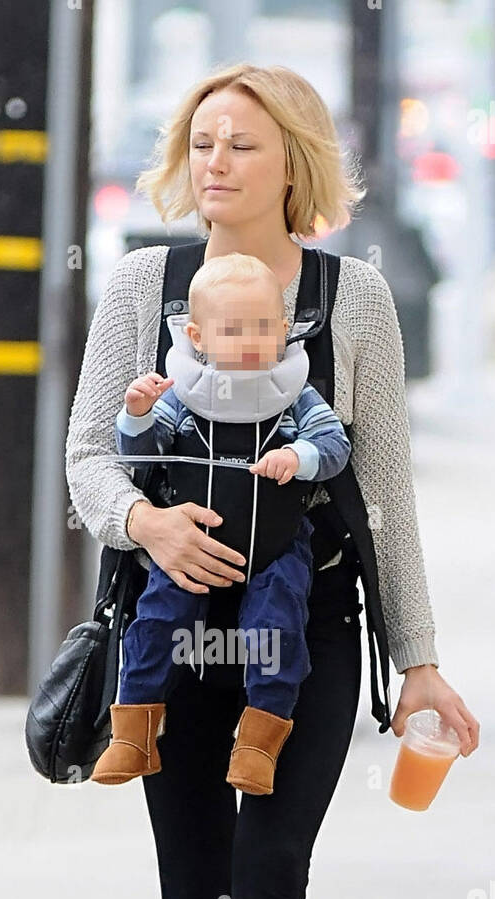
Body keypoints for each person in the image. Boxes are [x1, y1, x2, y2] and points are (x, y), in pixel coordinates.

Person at [65, 62, 480, 899]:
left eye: (241, 144)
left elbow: (384, 493)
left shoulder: (354, 303)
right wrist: (142, 522)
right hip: (171, 638)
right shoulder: (145, 286)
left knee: (272, 867)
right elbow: (90, 452)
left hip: (305, 634)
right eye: (201, 142)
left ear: (293, 160)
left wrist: (421, 661)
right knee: (195, 886)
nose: (215, 164)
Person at [91, 251, 352, 795]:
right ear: (197, 336)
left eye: (263, 328)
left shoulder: (294, 395)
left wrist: (298, 457)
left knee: (276, 632)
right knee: (157, 619)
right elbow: (142, 458)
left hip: (276, 546)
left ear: (284, 330)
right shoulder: (183, 394)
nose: (249, 341)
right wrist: (137, 415)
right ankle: (133, 730)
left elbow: (334, 446)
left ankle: (258, 745)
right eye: (232, 330)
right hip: (187, 547)